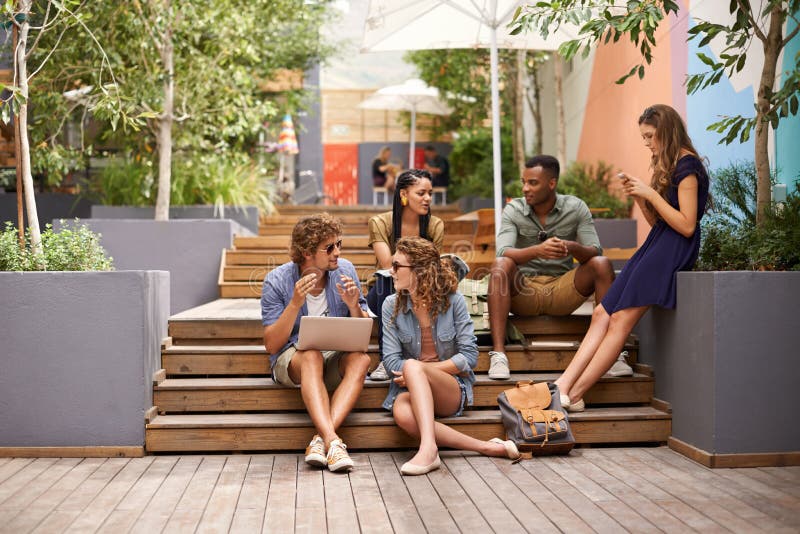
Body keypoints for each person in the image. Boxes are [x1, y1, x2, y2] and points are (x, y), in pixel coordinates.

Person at [554, 104, 710, 412]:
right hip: (658, 243)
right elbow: (659, 224)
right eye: (644, 137)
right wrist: (640, 196)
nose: (648, 143)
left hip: (673, 250)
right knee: (602, 313)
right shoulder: (670, 164)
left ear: (667, 130)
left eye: (651, 136)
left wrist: (650, 194)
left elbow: (687, 225)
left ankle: (575, 395)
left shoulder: (687, 167)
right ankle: (563, 384)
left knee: (622, 319)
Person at [382, 236, 520, 475]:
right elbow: (391, 361)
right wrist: (415, 373)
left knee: (414, 367)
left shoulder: (453, 302)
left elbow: (469, 356)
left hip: (450, 388)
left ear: (419, 271)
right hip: (409, 390)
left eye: (396, 266)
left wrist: (422, 371)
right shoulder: (390, 305)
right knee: (402, 414)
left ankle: (428, 450)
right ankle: (486, 447)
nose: (390, 271)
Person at [487, 154, 622, 380]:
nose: (525, 188)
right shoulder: (514, 209)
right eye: (523, 182)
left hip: (562, 291)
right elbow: (502, 252)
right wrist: (537, 251)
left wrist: (572, 247)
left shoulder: (575, 207)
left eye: (533, 182)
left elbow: (595, 250)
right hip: (524, 291)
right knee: (501, 264)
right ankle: (499, 354)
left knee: (602, 264)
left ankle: (612, 354)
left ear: (552, 183)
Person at [261, 213, 371, 472]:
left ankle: (321, 440)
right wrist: (295, 303)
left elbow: (364, 326)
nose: (337, 252)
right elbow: (272, 345)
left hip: (332, 357)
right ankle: (333, 440)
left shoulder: (345, 270)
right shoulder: (276, 281)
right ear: (308, 252)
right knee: (311, 355)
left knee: (361, 359)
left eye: (339, 244)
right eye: (330, 247)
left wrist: (354, 306)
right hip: (294, 360)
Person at [366, 169, 445, 381]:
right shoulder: (381, 222)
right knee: (386, 280)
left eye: (430, 193)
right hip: (384, 291)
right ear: (403, 194)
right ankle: (386, 359)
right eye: (421, 193)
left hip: (421, 292)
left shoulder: (434, 225)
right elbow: (388, 264)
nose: (428, 198)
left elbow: (433, 268)